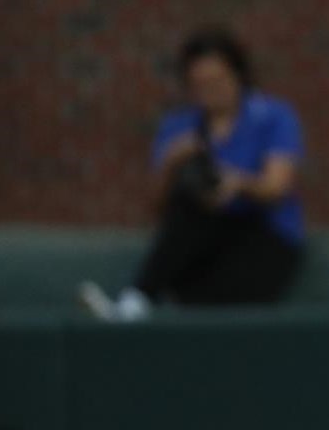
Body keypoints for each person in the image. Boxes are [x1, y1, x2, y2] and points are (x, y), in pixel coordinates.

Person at [79, 28, 305, 320]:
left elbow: (277, 186)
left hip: (263, 235)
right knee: (188, 208)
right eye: (201, 84)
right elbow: (156, 207)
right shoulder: (180, 127)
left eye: (218, 81)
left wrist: (237, 183)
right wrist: (171, 164)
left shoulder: (273, 116)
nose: (211, 91)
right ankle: (136, 300)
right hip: (201, 236)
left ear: (238, 76)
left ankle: (153, 306)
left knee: (214, 294)